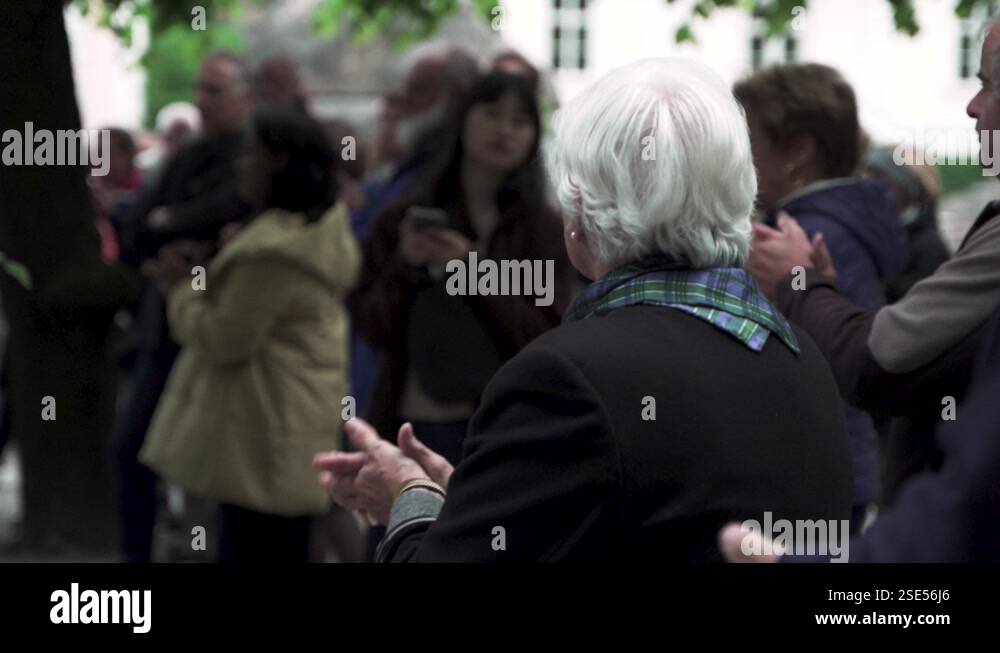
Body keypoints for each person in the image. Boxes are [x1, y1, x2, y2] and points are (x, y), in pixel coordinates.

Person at [315, 58, 853, 562]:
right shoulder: (801, 355)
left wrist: (408, 500)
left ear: (579, 208)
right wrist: (476, 501)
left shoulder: (567, 376)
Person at [746, 20, 1000, 506]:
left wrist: (800, 281)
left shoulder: (815, 232)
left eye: (987, 85)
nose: (971, 105)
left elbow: (873, 361)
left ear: (799, 150)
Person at [139, 107, 360, 563]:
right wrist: (205, 275)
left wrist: (180, 287)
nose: (240, 164)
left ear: (276, 161)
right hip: (282, 426)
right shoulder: (310, 230)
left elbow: (225, 337)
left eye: (249, 153)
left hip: (262, 435)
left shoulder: (274, 253)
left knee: (254, 546)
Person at [350, 71, 571, 467]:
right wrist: (405, 262)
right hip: (413, 422)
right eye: (491, 113)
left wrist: (471, 269)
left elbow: (543, 333)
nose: (504, 129)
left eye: (520, 120)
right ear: (463, 118)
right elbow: (371, 326)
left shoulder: (541, 229)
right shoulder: (402, 219)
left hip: (506, 427)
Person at [735, 64, 906, 531]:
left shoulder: (802, 235)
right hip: (840, 466)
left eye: (753, 144)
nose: (743, 159)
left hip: (811, 470)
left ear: (799, 152)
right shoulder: (845, 220)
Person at [111, 51, 253, 563]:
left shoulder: (250, 158)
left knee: (215, 477)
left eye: (214, 90)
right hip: (163, 331)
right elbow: (137, 224)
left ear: (245, 98)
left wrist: (171, 224)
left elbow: (222, 214)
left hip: (217, 336)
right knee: (133, 454)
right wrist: (169, 227)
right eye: (200, 89)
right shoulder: (187, 156)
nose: (202, 100)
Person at [864, 146, 950, 302]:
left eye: (880, 179)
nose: (869, 188)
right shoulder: (879, 237)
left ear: (908, 188)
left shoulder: (928, 247)